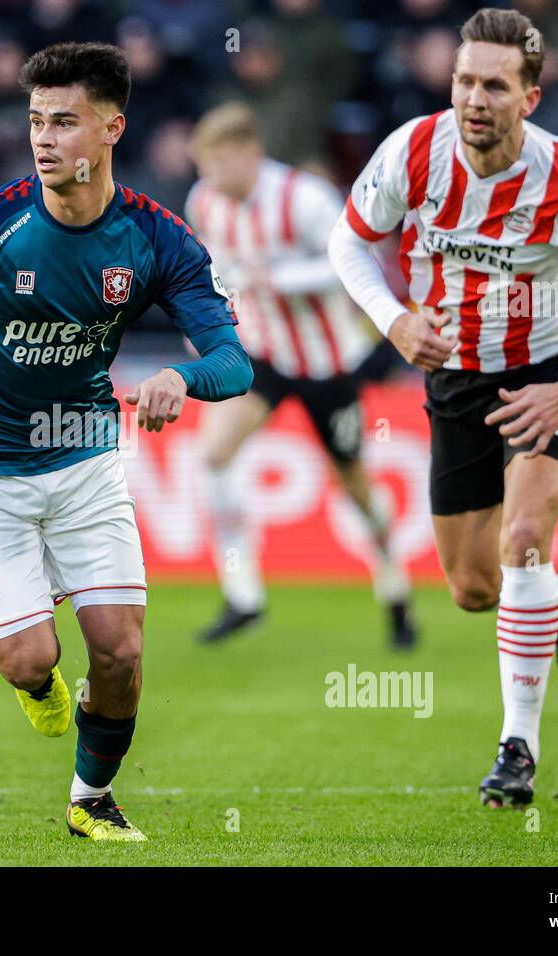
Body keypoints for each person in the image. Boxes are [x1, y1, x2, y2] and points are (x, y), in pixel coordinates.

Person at [0, 42, 252, 840]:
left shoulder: (159, 240)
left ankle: (90, 801)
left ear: (111, 129)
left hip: (86, 463)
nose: (43, 138)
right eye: (35, 121)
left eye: (63, 122)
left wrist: (183, 379)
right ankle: (36, 686)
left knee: (122, 655)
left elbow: (234, 360)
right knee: (32, 661)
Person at [327, 7, 558, 807]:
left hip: (553, 367)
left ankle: (516, 748)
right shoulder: (414, 151)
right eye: (463, 81)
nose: (474, 99)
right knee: (473, 587)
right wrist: (395, 320)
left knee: (525, 537)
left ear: (532, 98)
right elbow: (347, 240)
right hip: (456, 375)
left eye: (494, 84)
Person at [186, 102, 417, 648]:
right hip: (263, 355)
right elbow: (213, 269)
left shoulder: (304, 199)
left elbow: (351, 260)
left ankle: (395, 589)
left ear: (251, 154)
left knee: (355, 489)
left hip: (328, 363)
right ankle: (243, 595)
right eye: (206, 167)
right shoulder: (205, 201)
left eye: (220, 164)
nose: (212, 178)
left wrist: (276, 278)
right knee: (213, 454)